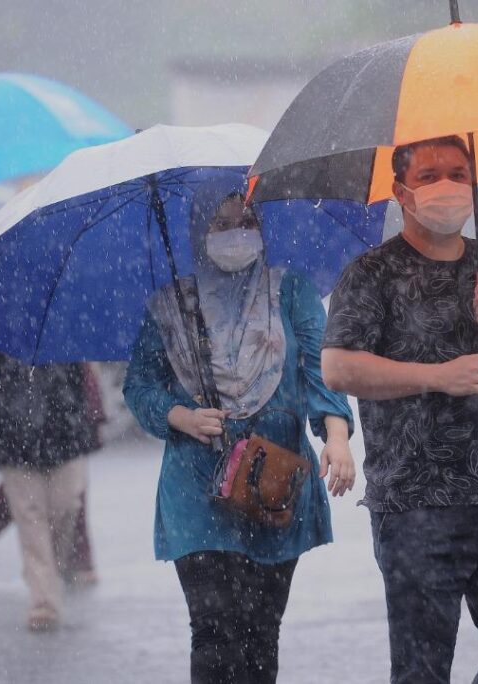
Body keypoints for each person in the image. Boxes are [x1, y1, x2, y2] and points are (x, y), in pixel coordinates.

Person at [322, 135, 478, 684]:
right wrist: (437, 376)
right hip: (414, 504)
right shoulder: (372, 273)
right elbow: (337, 367)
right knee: (422, 670)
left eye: (458, 173)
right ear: (401, 192)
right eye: (429, 177)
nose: (447, 187)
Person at [123, 179, 356, 683]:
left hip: (273, 480)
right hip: (196, 486)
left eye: (247, 221)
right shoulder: (171, 306)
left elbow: (322, 369)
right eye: (222, 223)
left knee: (259, 632)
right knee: (214, 630)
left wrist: (336, 438)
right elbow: (139, 386)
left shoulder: (290, 291)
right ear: (198, 234)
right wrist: (181, 415)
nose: (237, 233)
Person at [0, 348, 99, 630]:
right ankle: (44, 601)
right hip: (14, 432)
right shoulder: (3, 330)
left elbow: (81, 376)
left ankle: (47, 573)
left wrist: (86, 415)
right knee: (30, 517)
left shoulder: (66, 330)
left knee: (67, 506)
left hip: (65, 430)